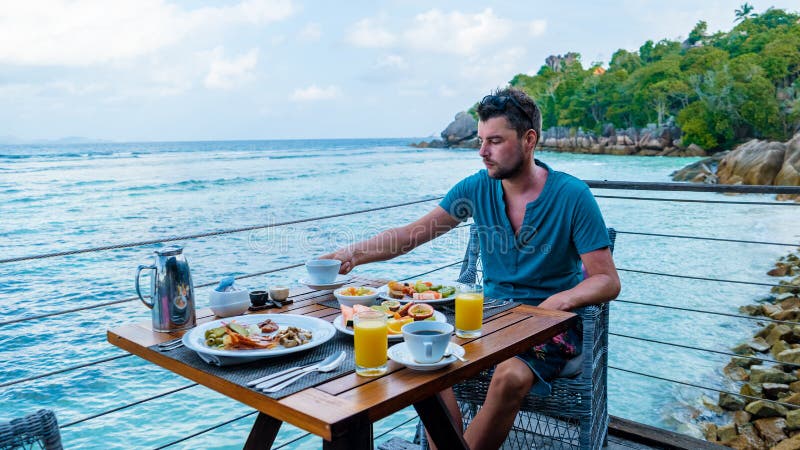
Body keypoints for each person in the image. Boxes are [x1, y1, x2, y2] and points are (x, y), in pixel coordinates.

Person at [322, 87, 620, 450]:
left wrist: (561, 300)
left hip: (552, 325)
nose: (482, 151)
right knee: (420, 354)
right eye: (481, 140)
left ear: (529, 140)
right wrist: (352, 255)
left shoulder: (572, 195)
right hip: (490, 318)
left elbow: (606, 280)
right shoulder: (477, 188)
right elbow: (411, 235)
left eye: (495, 141)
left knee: (509, 376)